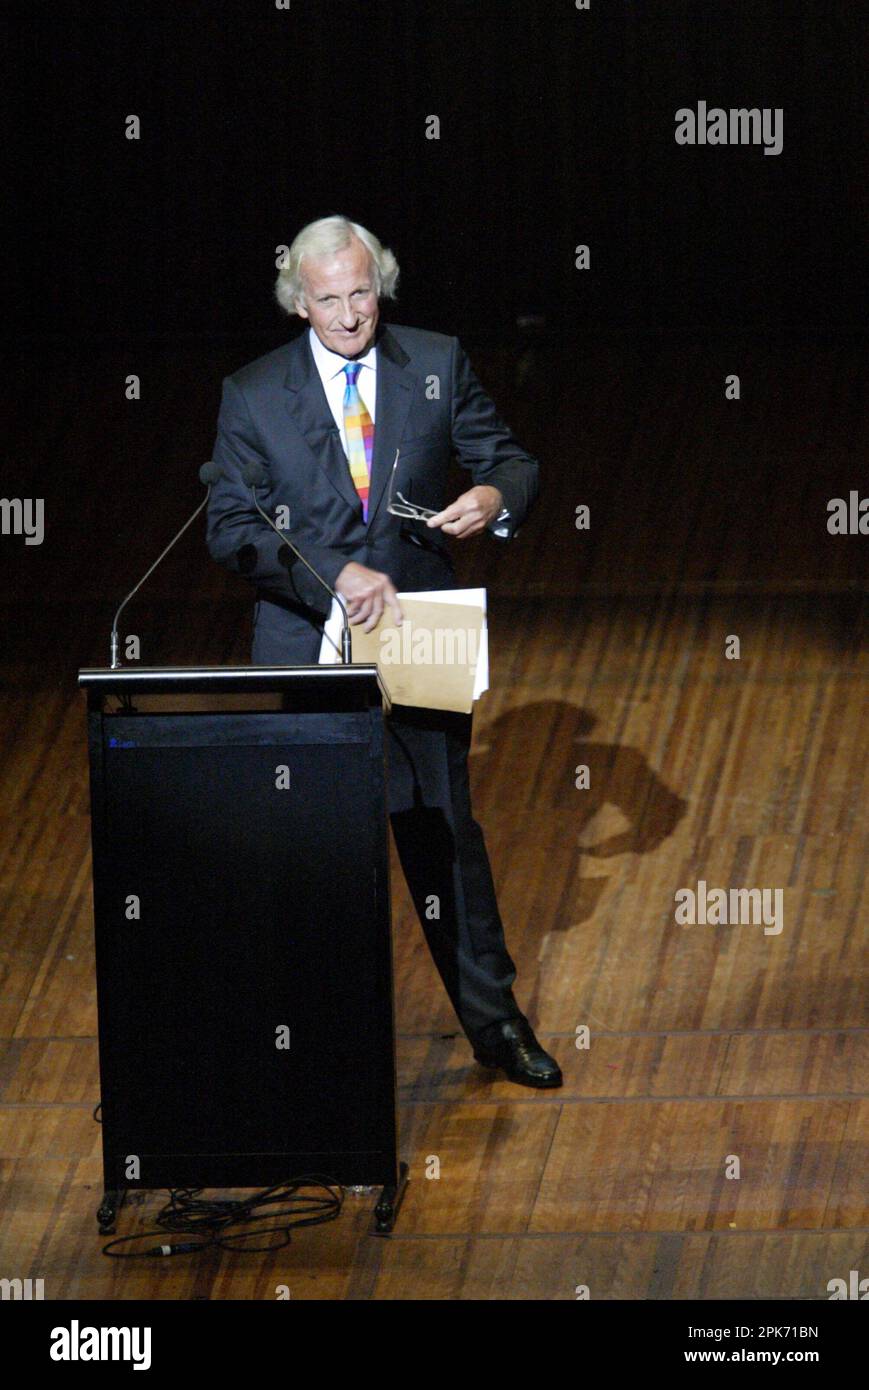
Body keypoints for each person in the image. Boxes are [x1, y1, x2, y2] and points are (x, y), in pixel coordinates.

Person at [206, 215, 561, 1088]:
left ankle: (494, 1024)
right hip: (305, 643)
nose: (348, 314)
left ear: (381, 285)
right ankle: (315, 1046)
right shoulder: (251, 395)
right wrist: (333, 574)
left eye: (361, 292)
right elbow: (229, 526)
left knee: (444, 834)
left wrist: (489, 497)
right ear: (299, 302)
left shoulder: (433, 364)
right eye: (327, 298)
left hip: (420, 632)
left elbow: (510, 460)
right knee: (318, 850)